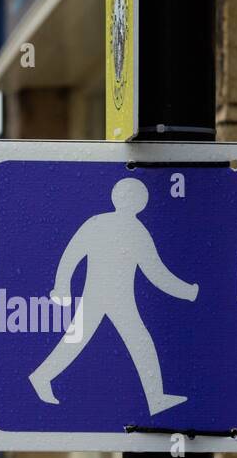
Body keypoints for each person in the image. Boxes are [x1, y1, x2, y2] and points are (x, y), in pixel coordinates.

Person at [29, 177, 197, 416]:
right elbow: (156, 272)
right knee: (132, 341)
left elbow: (71, 257)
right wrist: (188, 291)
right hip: (108, 296)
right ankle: (41, 377)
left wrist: (62, 286)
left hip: (113, 297)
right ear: (141, 202)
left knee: (122, 341)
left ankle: (156, 398)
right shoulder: (127, 229)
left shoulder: (102, 224)